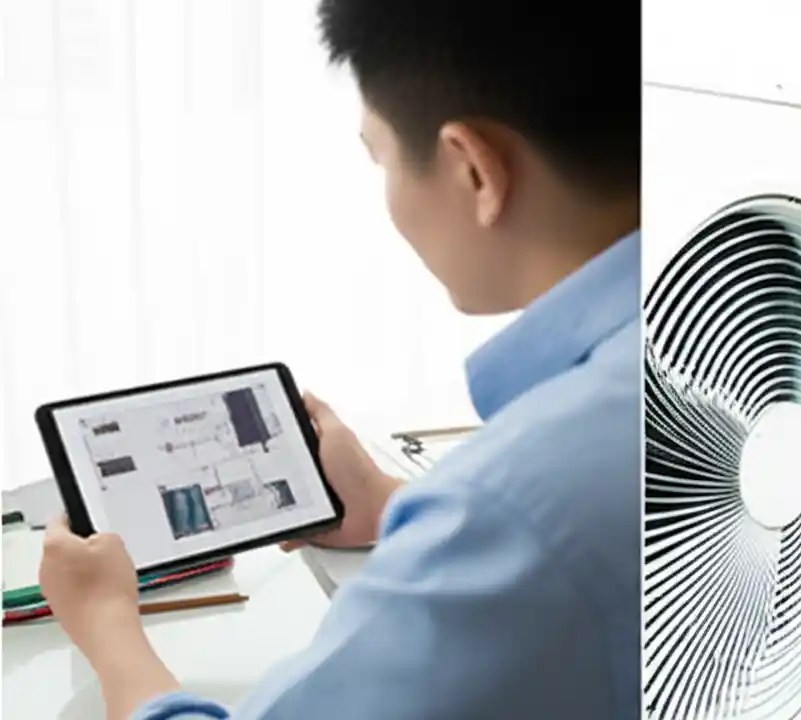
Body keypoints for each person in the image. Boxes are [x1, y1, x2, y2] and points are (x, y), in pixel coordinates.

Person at [36, 1, 640, 718]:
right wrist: (386, 503)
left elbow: (539, 528)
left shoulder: (509, 510)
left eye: (378, 156)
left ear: (473, 170)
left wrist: (107, 627)